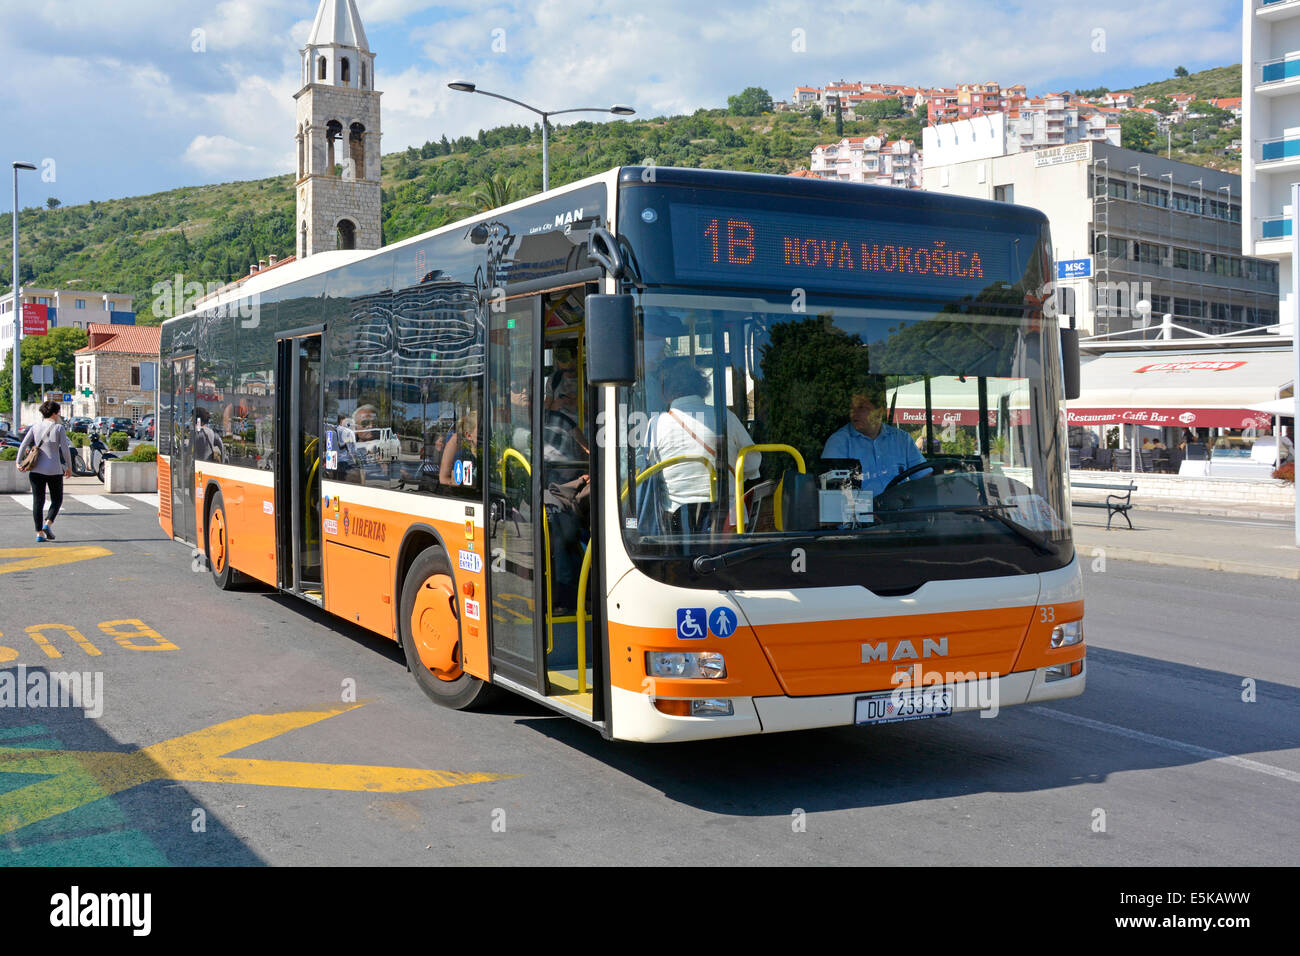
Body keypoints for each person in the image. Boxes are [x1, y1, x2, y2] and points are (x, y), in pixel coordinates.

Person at [650, 359, 760, 531]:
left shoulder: (656, 424)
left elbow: (650, 470)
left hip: (677, 524)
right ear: (702, 387)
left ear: (666, 392)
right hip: (728, 521)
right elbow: (753, 463)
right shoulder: (726, 417)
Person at [822, 379, 927, 495]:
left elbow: (925, 478)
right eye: (852, 408)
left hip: (899, 510)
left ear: (879, 411)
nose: (854, 413)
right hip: (859, 511)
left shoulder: (902, 440)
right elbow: (832, 494)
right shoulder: (838, 443)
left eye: (861, 408)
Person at [16, 400, 72, 542]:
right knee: (57, 499)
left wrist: (18, 462)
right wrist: (69, 466)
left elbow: (23, 445)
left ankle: (39, 533)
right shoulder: (59, 428)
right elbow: (65, 450)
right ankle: (48, 524)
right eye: (58, 412)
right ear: (54, 413)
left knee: (38, 501)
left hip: (36, 470)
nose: (59, 415)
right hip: (54, 470)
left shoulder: (36, 427)